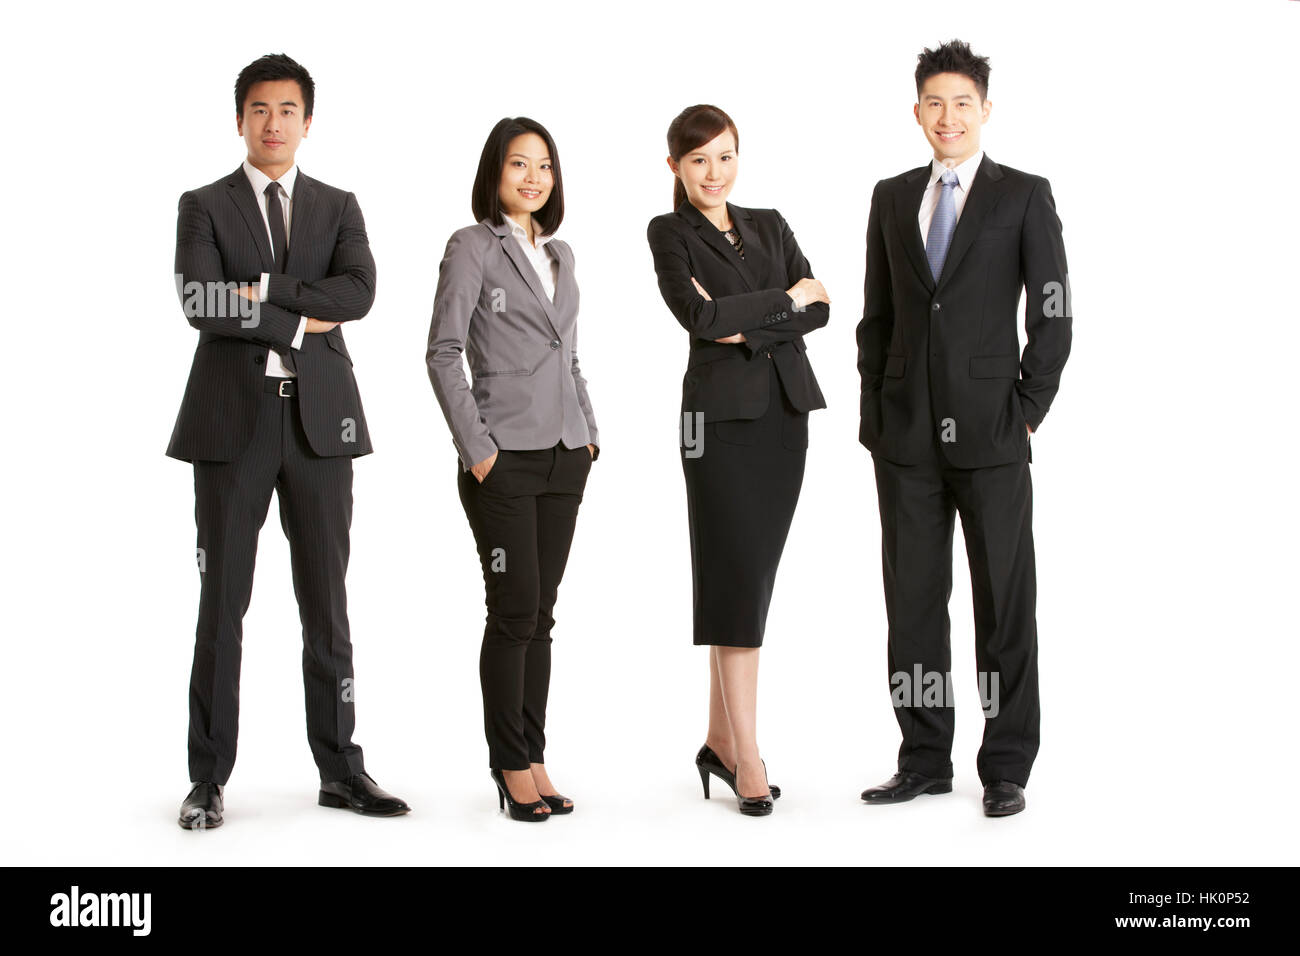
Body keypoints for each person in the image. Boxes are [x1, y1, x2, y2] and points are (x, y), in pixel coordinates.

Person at [168, 53, 409, 829]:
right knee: (222, 603)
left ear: (309, 121)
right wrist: (306, 317)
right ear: (240, 119)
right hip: (231, 425)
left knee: (327, 604)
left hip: (321, 424)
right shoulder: (202, 204)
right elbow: (202, 300)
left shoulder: (338, 206)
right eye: (260, 110)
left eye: (288, 110)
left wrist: (266, 292)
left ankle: (340, 768)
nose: (274, 124)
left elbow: (362, 292)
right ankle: (207, 779)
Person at [856, 40, 1072, 817]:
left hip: (993, 435)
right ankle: (923, 759)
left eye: (962, 103)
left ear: (985, 109)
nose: (947, 116)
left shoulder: (1023, 196)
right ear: (917, 112)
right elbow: (876, 318)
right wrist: (875, 415)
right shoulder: (889, 197)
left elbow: (1053, 312)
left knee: (1004, 604)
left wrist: (1027, 409)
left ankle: (1006, 762)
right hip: (905, 439)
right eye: (934, 104)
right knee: (912, 602)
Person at [647, 105, 829, 817]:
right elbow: (698, 320)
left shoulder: (771, 223)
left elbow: (821, 307)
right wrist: (782, 302)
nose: (713, 173)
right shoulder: (668, 232)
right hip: (717, 426)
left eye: (724, 157)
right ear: (675, 169)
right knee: (735, 573)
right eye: (698, 161)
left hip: (786, 417)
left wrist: (751, 316)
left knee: (751, 576)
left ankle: (721, 740)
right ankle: (747, 757)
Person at [427, 117, 599, 822]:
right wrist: (480, 451)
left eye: (545, 166)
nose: (534, 178)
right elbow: (441, 353)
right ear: (495, 173)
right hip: (505, 461)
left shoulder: (561, 254)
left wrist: (590, 433)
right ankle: (507, 763)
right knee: (514, 610)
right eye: (519, 165)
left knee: (544, 617)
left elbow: (571, 353)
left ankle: (533, 752)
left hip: (566, 456)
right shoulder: (472, 246)